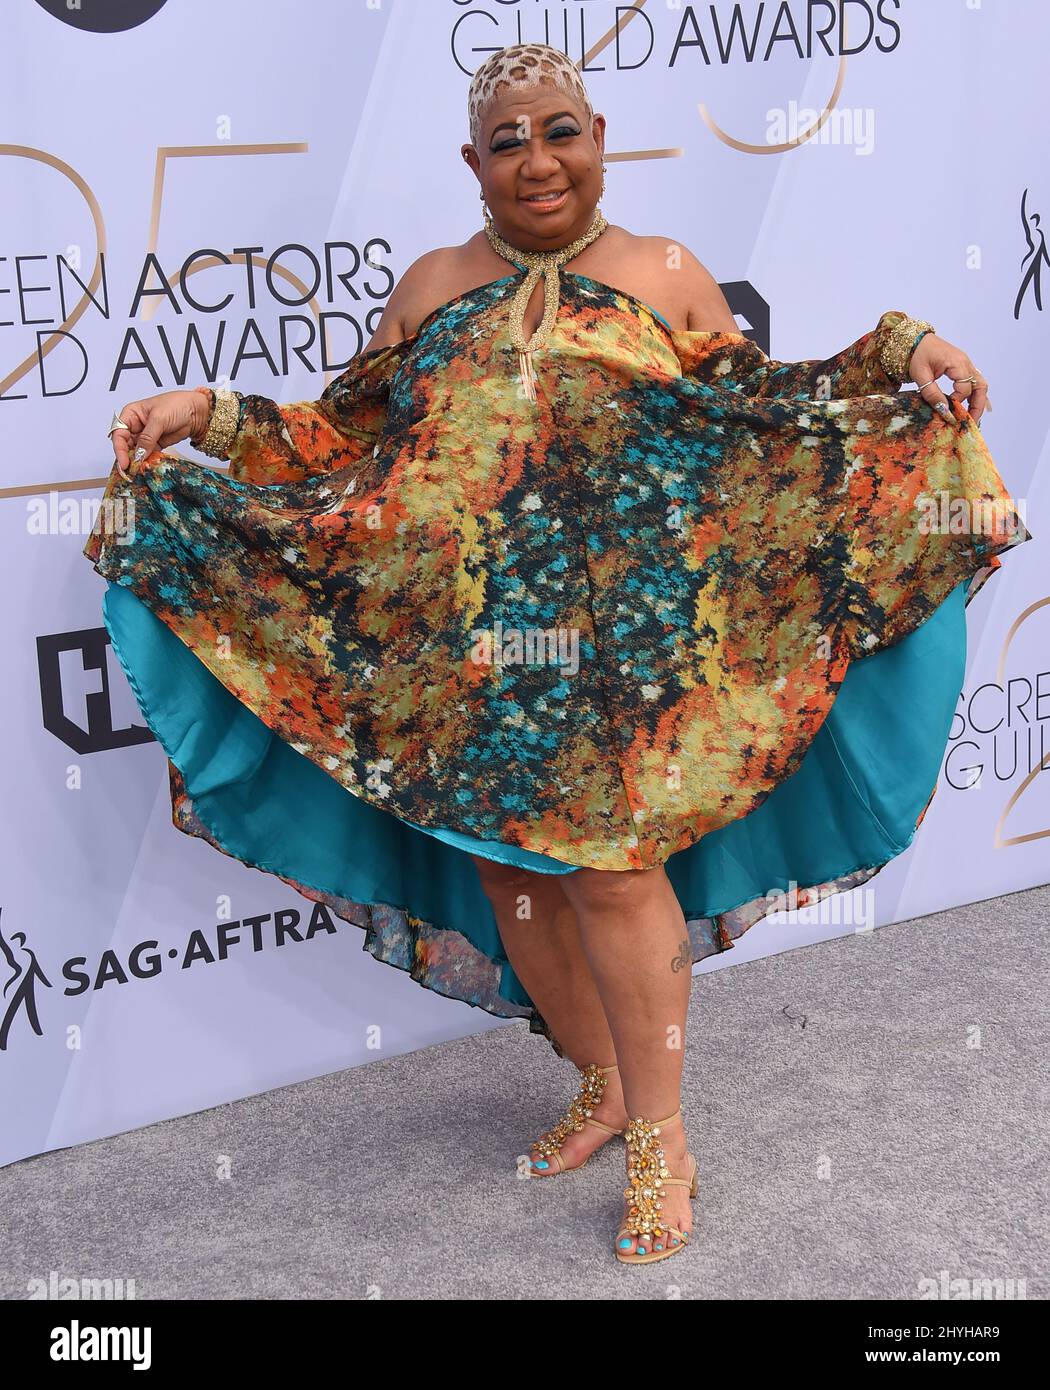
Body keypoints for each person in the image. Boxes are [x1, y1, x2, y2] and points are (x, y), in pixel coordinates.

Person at [84, 43, 1031, 1266]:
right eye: (509, 138)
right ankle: (606, 1079)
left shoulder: (667, 273)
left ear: (599, 136)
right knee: (506, 881)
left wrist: (905, 350)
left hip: (626, 658)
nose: (538, 159)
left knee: (615, 877)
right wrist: (202, 413)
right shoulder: (429, 286)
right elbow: (342, 445)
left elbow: (774, 414)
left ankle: (665, 1139)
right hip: (475, 655)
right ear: (473, 161)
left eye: (559, 130)